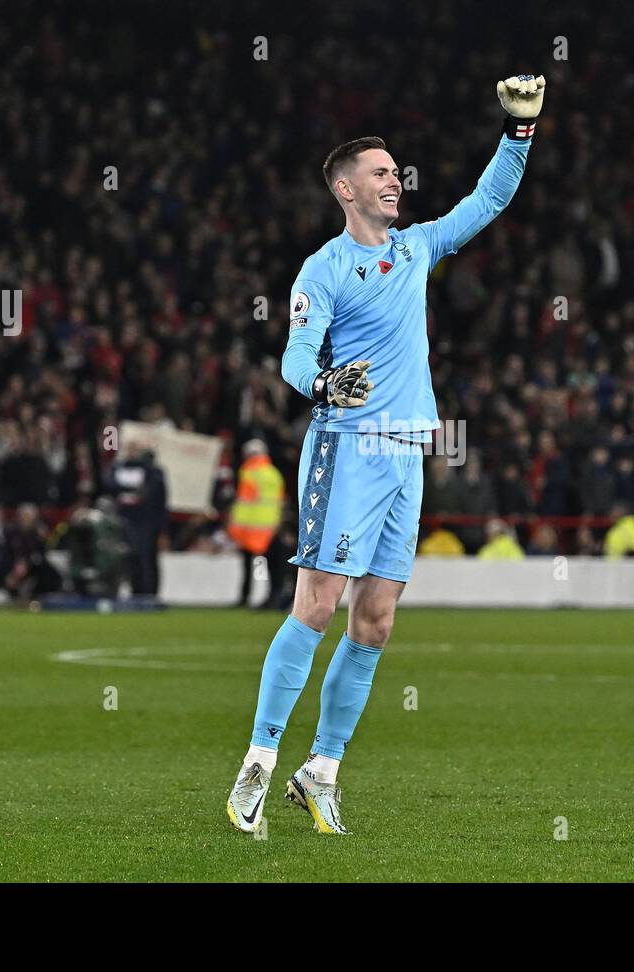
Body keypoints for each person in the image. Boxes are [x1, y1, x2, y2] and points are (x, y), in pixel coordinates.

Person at [226, 75, 545, 836]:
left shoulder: (415, 247)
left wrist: (520, 127)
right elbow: (294, 358)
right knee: (318, 603)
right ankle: (259, 763)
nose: (394, 178)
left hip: (406, 456)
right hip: (347, 448)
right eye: (380, 171)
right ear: (345, 189)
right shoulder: (324, 269)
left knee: (375, 619)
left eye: (396, 170)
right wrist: (325, 382)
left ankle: (320, 771)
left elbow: (489, 201)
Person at [226, 439, 285, 608]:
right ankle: (273, 597)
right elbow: (279, 502)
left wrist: (234, 525)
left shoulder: (248, 472)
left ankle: (245, 597)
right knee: (270, 566)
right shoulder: (274, 473)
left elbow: (244, 501)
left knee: (248, 566)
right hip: (270, 527)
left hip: (250, 527)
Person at [107, 442, 169, 598]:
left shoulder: (153, 472)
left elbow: (153, 495)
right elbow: (109, 483)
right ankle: (136, 592)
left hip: (146, 522)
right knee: (131, 558)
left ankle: (149, 593)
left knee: (146, 558)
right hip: (126, 520)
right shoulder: (119, 468)